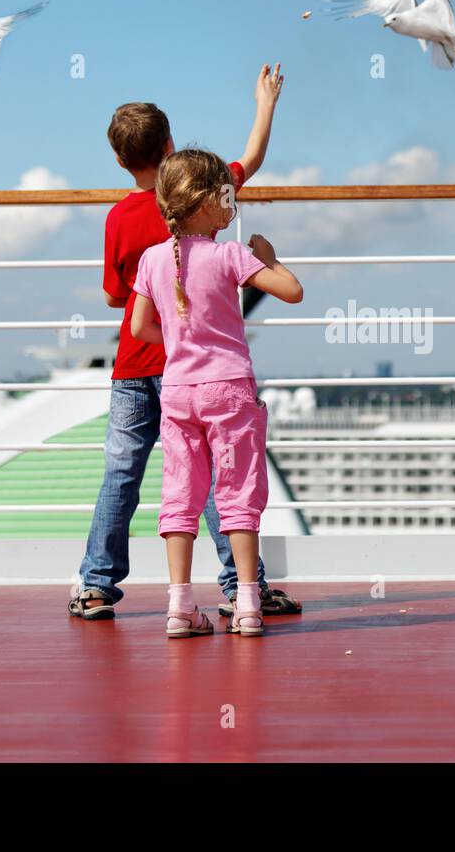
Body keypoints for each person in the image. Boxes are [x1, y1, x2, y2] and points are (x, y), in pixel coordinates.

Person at [69, 64, 302, 621]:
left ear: (120, 160)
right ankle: (240, 588)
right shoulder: (202, 198)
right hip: (209, 372)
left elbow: (113, 298)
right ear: (172, 147)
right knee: (227, 473)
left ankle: (97, 583)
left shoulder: (120, 220)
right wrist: (265, 101)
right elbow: (254, 154)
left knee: (124, 475)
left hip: (137, 369)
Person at [131, 148, 303, 637]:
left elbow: (142, 326)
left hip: (179, 392)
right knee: (239, 494)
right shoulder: (231, 254)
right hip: (228, 390)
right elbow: (292, 291)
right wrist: (270, 259)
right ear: (206, 203)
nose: (232, 204)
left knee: (180, 496)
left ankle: (179, 607)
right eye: (226, 197)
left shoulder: (152, 258)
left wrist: (178, 340)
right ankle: (248, 604)